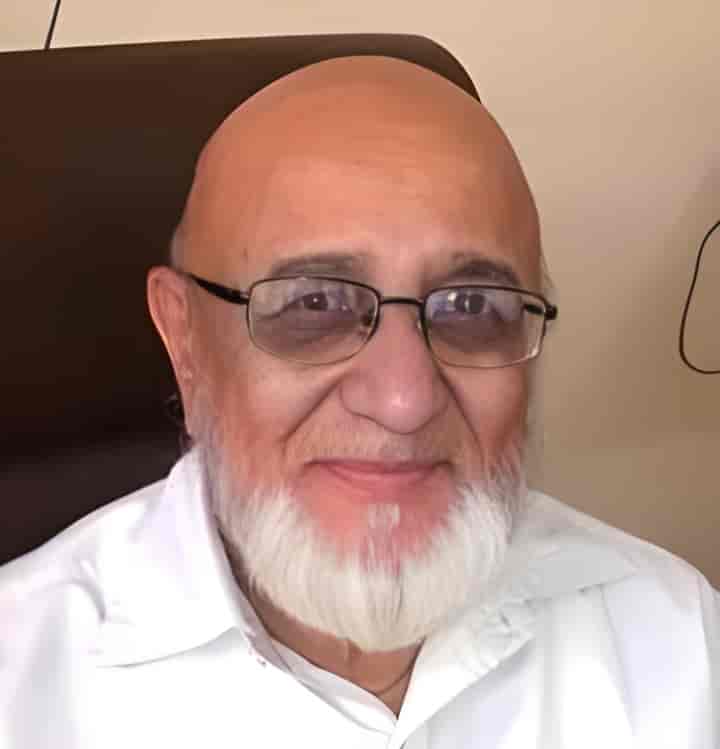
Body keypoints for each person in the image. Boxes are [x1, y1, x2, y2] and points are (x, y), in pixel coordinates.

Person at [1, 55, 717, 748]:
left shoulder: (680, 644)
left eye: (472, 305)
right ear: (186, 341)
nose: (404, 400)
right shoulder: (21, 683)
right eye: (313, 304)